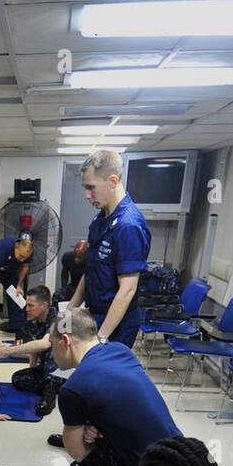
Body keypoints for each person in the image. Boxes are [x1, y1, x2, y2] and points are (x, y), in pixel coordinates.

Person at [50, 309, 181, 466]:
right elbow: (119, 403)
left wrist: (89, 431)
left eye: (52, 344)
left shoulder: (73, 388)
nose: (51, 352)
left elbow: (77, 451)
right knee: (96, 445)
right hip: (177, 458)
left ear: (65, 341)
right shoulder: (119, 349)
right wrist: (95, 425)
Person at [69, 149, 151, 347]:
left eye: (91, 188)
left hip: (117, 323)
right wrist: (70, 309)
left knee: (103, 374)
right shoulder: (101, 219)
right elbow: (91, 270)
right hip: (95, 313)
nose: (87, 195)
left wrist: (101, 338)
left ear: (113, 181)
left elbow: (127, 290)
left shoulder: (129, 225)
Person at [0, 285, 62, 416]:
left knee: (54, 346)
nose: (26, 309)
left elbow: (44, 344)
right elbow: (33, 346)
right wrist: (32, 369)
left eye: (31, 305)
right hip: (46, 370)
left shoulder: (59, 318)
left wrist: (10, 351)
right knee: (18, 379)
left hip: (64, 371)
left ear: (44, 306)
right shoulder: (33, 320)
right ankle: (51, 386)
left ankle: (49, 394)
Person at [0, 234, 34, 334]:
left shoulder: (28, 252)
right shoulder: (2, 250)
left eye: (24, 258)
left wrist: (19, 285)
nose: (22, 260)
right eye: (21, 256)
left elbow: (25, 267)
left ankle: (17, 327)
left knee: (16, 296)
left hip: (10, 271)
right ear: (16, 247)